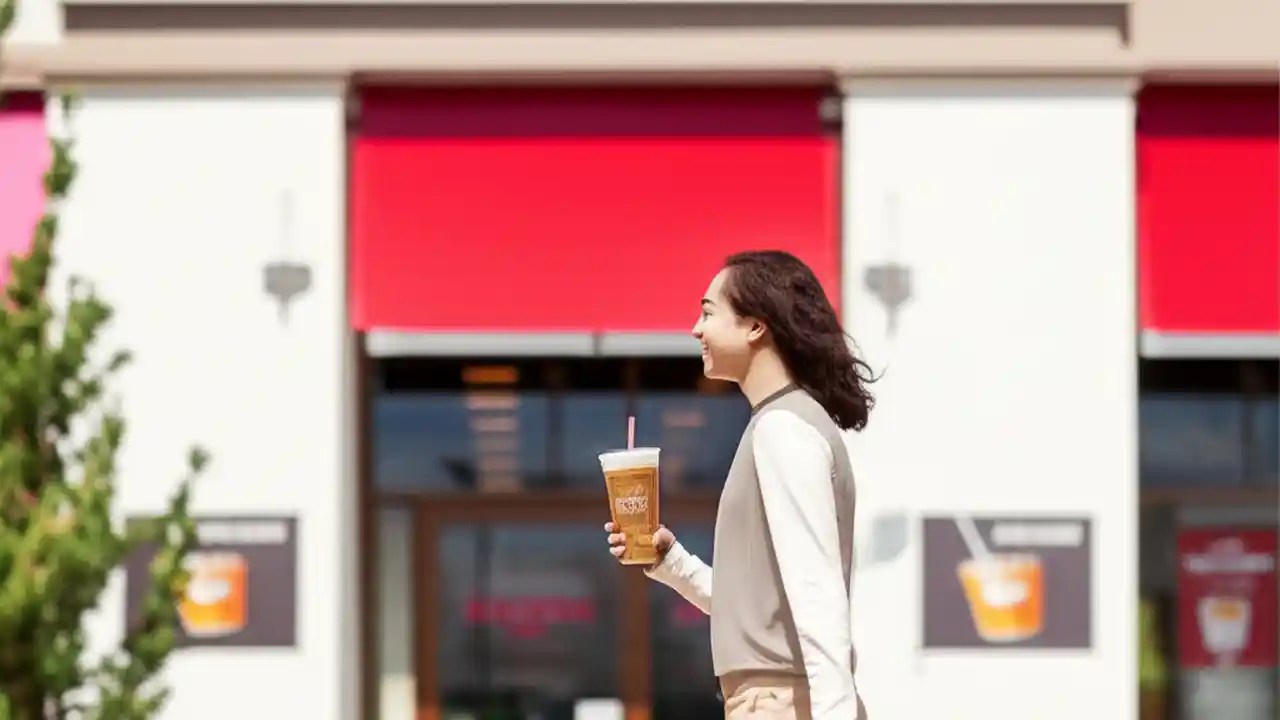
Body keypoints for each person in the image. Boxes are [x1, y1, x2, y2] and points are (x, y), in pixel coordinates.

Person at [604, 250, 875, 719]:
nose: (696, 329)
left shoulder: (782, 428)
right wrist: (671, 563)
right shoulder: (778, 423)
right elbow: (754, 609)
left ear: (755, 326)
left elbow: (817, 592)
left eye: (708, 313)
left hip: (781, 702)